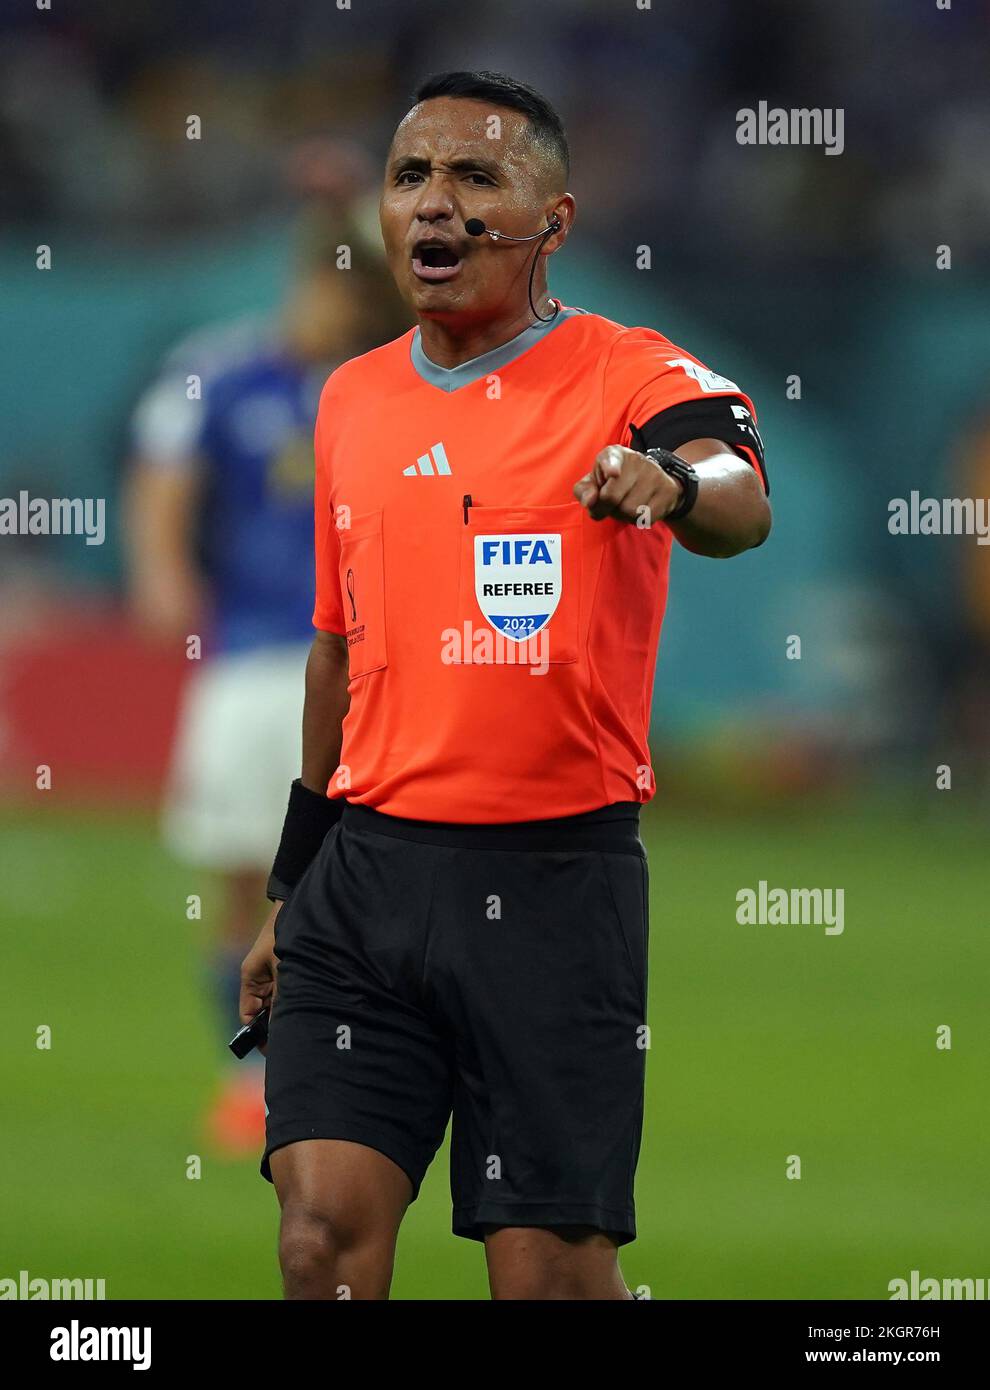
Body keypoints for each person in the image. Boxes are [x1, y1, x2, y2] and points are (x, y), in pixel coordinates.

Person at [240, 70, 771, 1300]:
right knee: (318, 1238)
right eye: (411, 176)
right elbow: (335, 651)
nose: (437, 202)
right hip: (364, 879)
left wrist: (673, 487)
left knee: (548, 1281)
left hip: (552, 884)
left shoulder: (623, 370)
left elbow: (739, 495)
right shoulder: (351, 398)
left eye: (477, 177)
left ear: (555, 219)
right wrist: (291, 882)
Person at [125, 212, 406, 1154]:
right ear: (304, 282)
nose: (349, 311)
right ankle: (244, 1073)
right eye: (341, 290)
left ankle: (356, 1067)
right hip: (248, 659)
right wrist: (163, 571)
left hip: (360, 659)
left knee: (359, 874)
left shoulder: (380, 382)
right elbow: (162, 473)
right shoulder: (223, 369)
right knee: (242, 875)